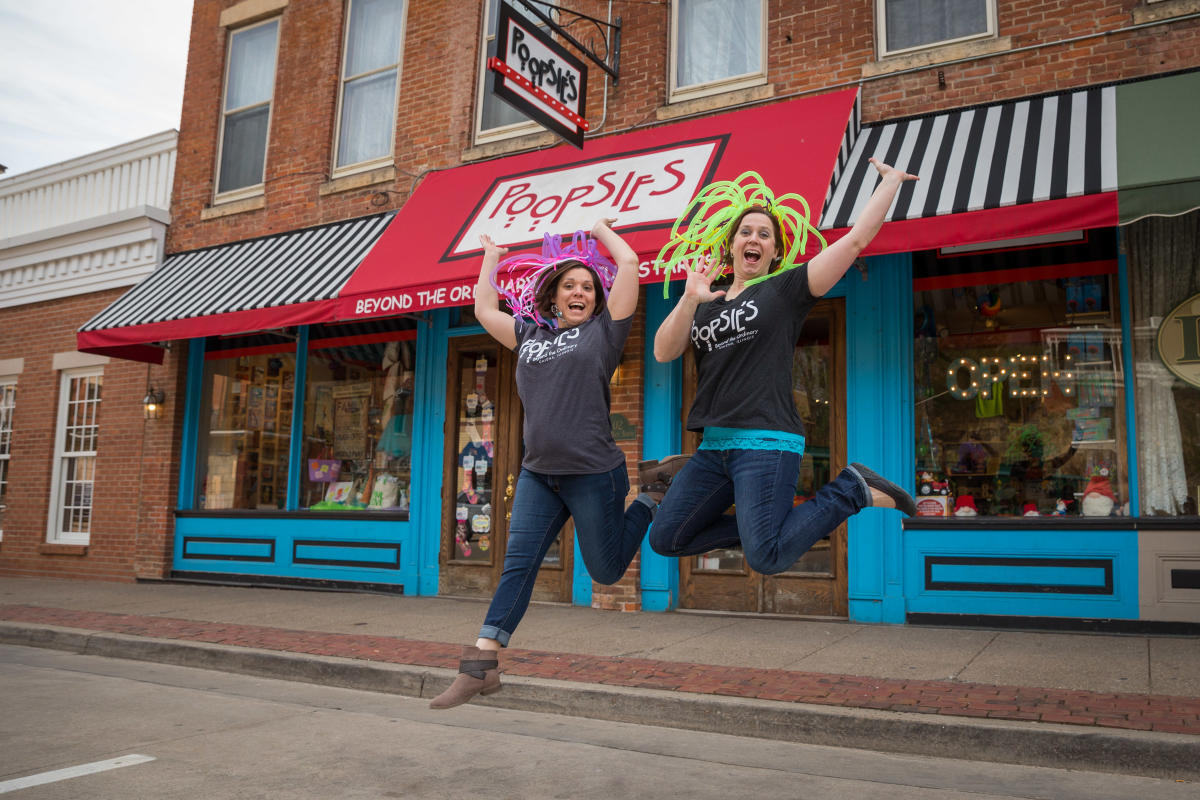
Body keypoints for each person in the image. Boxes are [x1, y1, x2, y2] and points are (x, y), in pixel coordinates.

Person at [430, 218, 683, 710]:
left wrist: (602, 230)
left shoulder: (605, 334)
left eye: (588, 286)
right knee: (518, 566)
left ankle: (652, 496)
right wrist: (490, 258)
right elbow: (484, 308)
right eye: (569, 285)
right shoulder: (527, 334)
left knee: (607, 572)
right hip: (538, 475)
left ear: (596, 297)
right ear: (552, 295)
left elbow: (629, 263)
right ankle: (482, 665)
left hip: (593, 474)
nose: (579, 292)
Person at [649, 159, 919, 576]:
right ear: (731, 245)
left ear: (774, 252)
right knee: (666, 538)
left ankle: (853, 489)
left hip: (766, 441)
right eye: (746, 232)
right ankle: (762, 529)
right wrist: (690, 297)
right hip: (712, 449)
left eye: (764, 235)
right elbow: (664, 351)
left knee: (766, 557)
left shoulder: (786, 289)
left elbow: (853, 243)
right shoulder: (707, 304)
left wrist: (889, 183)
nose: (754, 238)